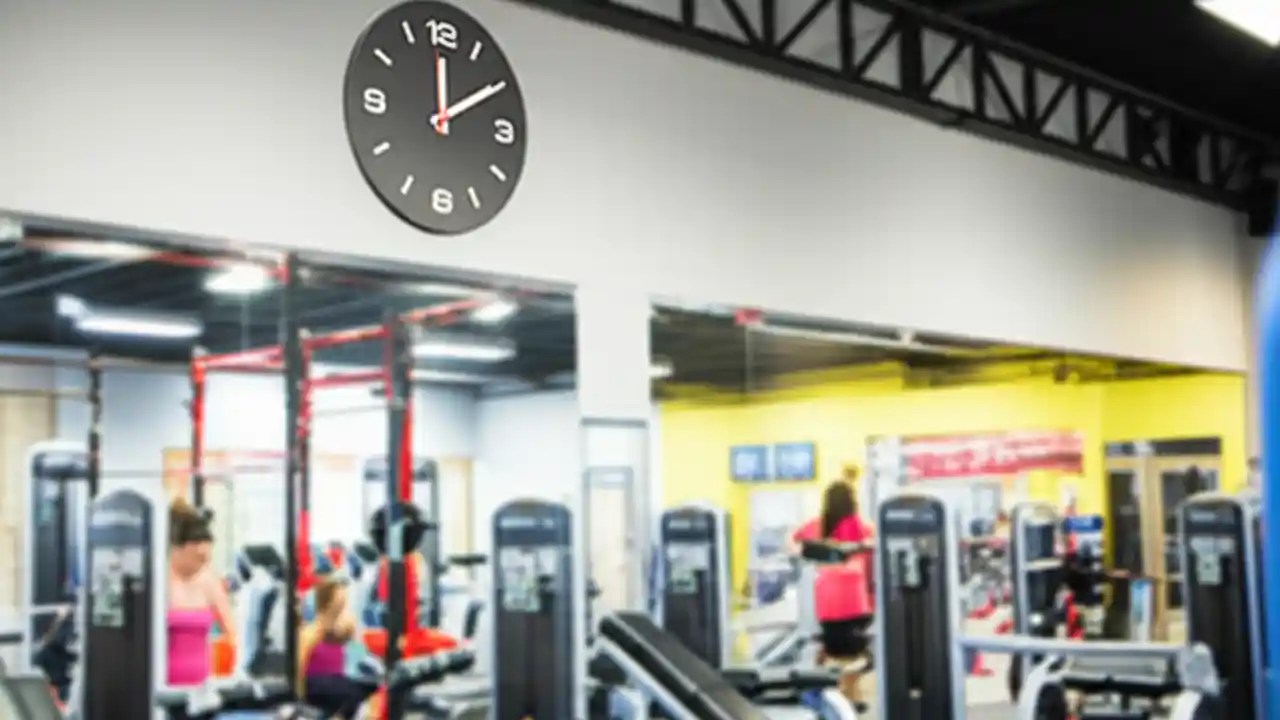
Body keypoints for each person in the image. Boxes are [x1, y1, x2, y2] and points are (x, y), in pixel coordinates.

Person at [792, 477, 874, 707]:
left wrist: (812, 554)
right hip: (856, 601)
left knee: (834, 652)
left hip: (827, 601)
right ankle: (850, 697)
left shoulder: (817, 525)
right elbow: (875, 545)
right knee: (855, 655)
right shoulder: (861, 527)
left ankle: (841, 697)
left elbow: (793, 542)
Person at [167, 499, 236, 688]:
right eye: (197, 557)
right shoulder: (160, 583)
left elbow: (230, 633)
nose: (203, 561)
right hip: (163, 687)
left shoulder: (209, 582)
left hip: (201, 687)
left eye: (205, 559)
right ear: (176, 548)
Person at [299, 577, 376, 719]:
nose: (343, 600)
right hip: (315, 682)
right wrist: (298, 696)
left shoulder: (343, 630)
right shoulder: (311, 632)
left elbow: (359, 654)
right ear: (327, 600)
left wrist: (355, 633)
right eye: (339, 596)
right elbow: (300, 665)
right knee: (351, 692)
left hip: (336, 681)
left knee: (371, 687)